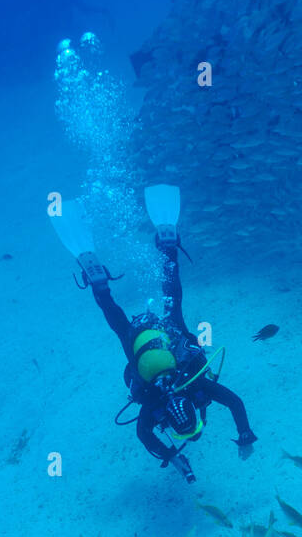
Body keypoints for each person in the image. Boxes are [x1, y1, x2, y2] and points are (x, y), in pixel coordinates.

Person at [58, 188, 257, 470]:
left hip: (166, 335)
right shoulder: (168, 396)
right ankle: (100, 285)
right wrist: (174, 455)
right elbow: (144, 434)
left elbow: (235, 402)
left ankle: (167, 246)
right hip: (139, 341)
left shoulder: (190, 387)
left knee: (172, 302)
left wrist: (243, 434)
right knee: (120, 325)